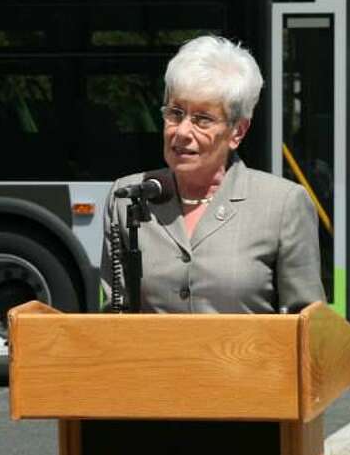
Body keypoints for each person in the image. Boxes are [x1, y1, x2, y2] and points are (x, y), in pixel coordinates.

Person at [101, 34, 324, 313]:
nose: (182, 132)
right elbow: (114, 318)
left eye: (202, 119)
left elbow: (307, 325)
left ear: (237, 132)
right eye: (175, 113)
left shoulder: (282, 205)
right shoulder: (129, 197)